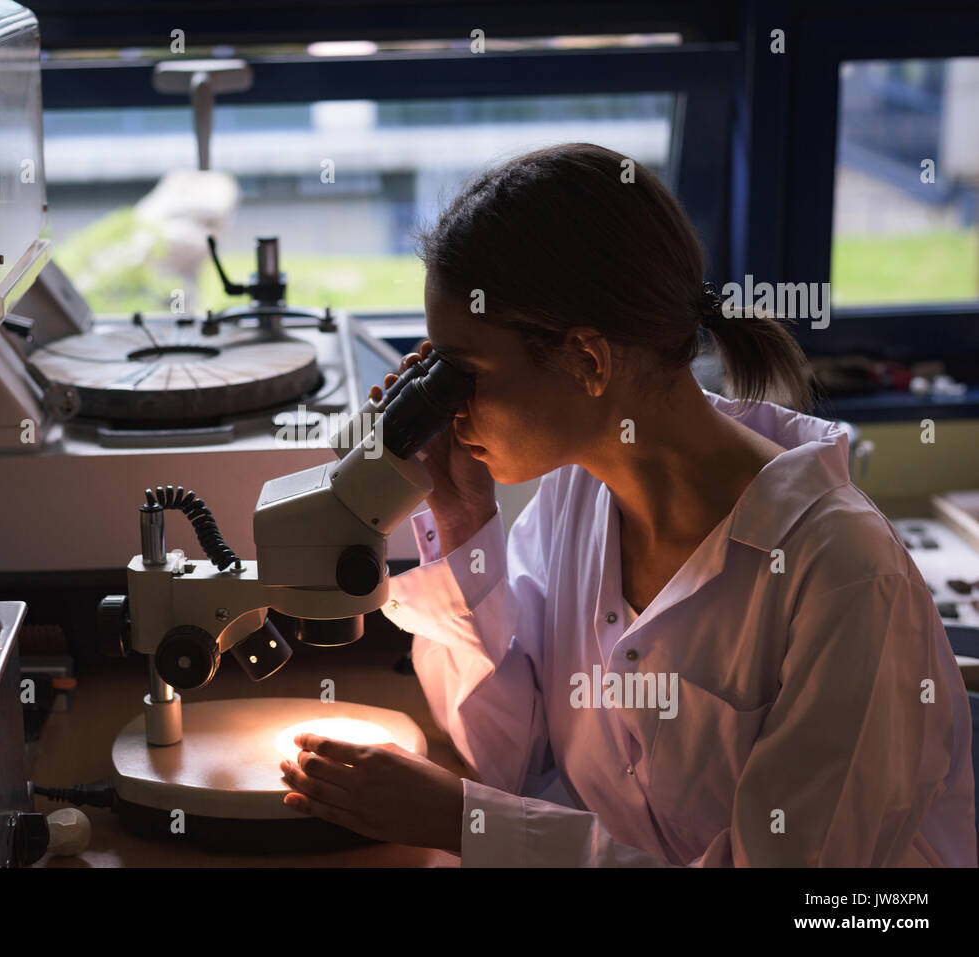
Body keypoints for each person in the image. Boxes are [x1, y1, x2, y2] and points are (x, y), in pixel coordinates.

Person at [279, 142, 977, 866]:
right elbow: (514, 765)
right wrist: (460, 523)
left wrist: (469, 823)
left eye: (466, 373)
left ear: (588, 359)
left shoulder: (843, 575)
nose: (450, 410)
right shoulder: (577, 495)